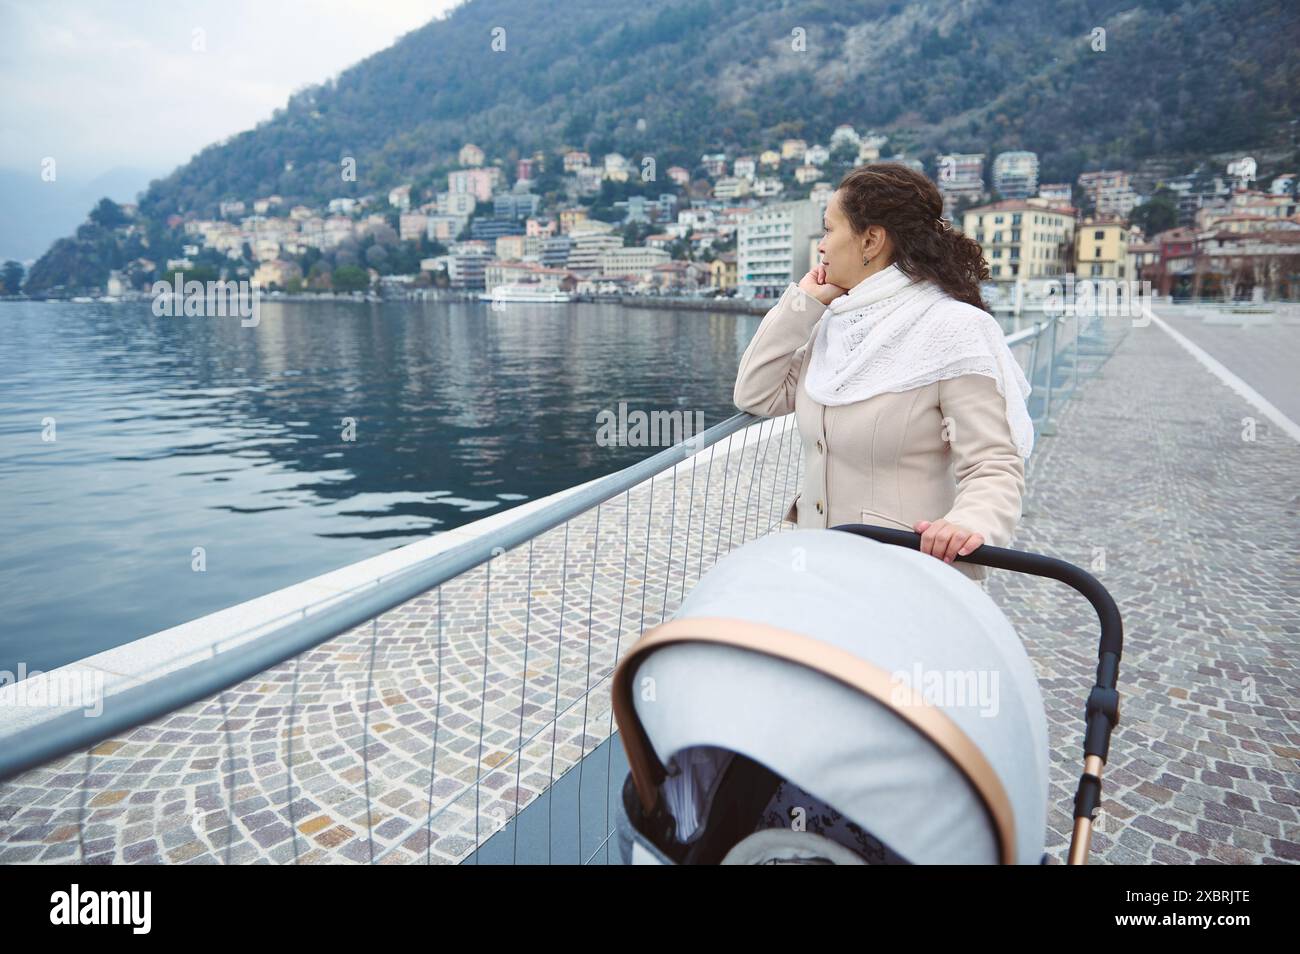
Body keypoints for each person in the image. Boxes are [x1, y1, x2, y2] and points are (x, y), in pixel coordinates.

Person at [733, 163, 1033, 586]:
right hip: (819, 567)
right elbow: (755, 394)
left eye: (828, 230)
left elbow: (993, 464)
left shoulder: (953, 328)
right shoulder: (834, 324)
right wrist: (802, 302)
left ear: (870, 240)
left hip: (904, 574)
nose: (821, 247)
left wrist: (967, 523)